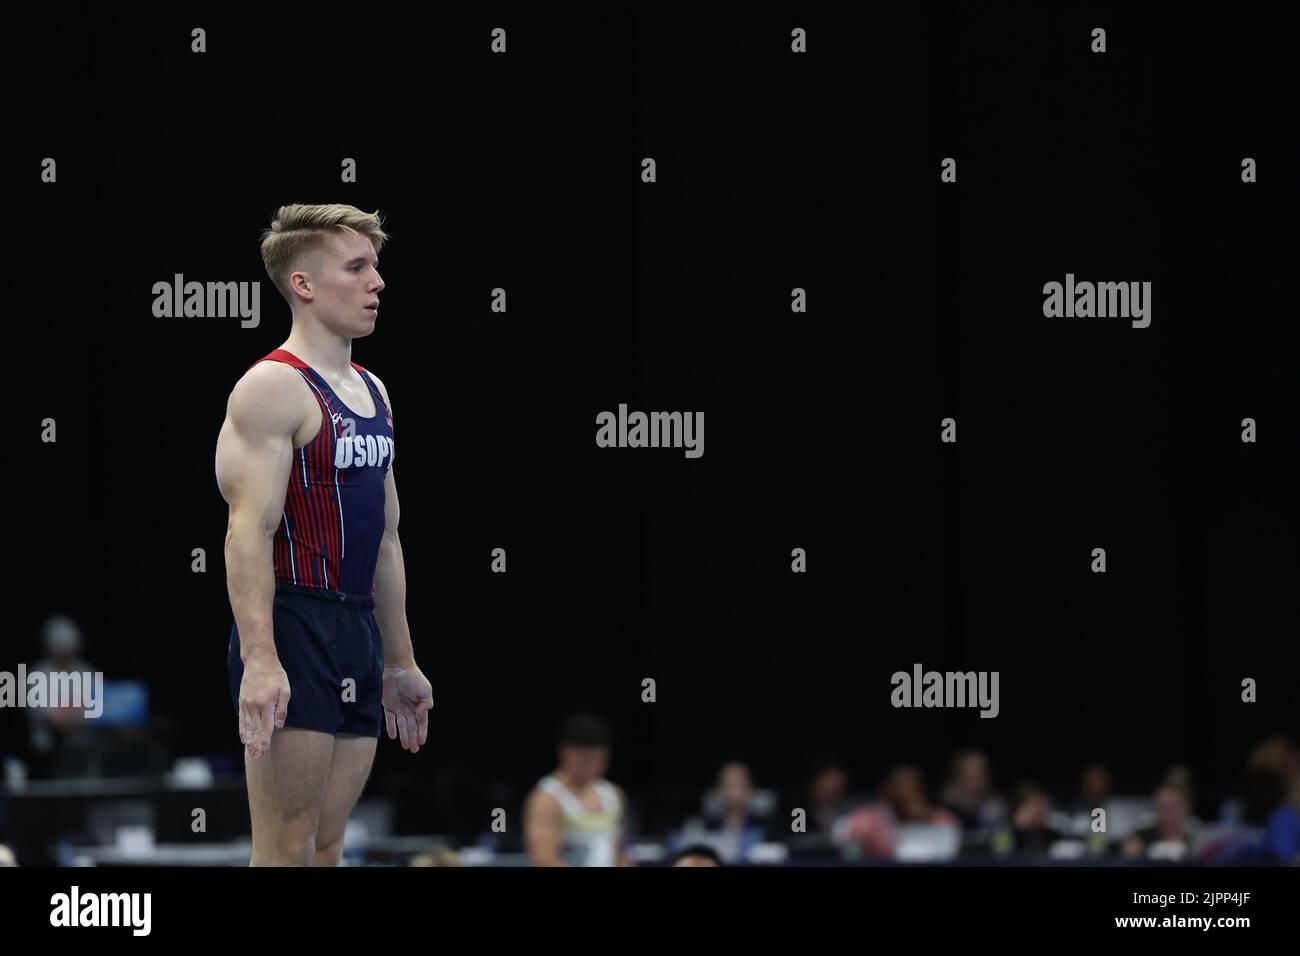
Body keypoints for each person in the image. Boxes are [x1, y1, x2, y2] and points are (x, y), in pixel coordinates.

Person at [216, 203, 433, 866]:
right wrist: (260, 657)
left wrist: (399, 660)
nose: (378, 283)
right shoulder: (272, 387)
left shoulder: (374, 391)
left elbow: (388, 538)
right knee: (286, 846)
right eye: (357, 267)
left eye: (376, 267)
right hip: (296, 621)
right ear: (304, 285)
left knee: (329, 845)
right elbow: (248, 530)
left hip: (358, 628)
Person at [523, 713, 632, 866]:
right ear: (564, 753)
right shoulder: (547, 798)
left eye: (593, 760)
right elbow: (544, 860)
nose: (588, 766)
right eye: (583, 760)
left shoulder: (613, 794)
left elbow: (620, 855)